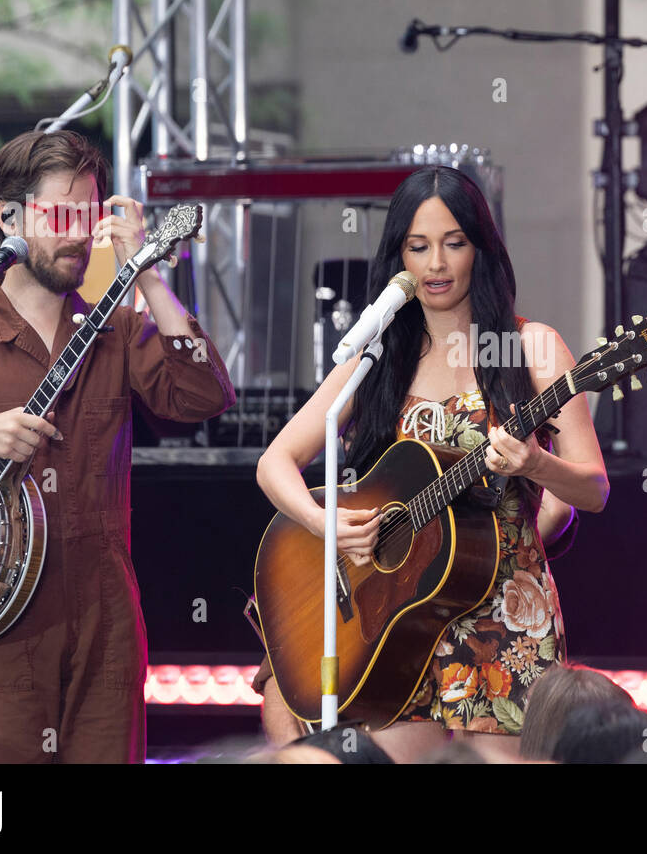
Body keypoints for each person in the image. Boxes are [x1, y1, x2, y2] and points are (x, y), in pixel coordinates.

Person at [0, 129, 235, 762]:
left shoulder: (114, 326)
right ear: (8, 217)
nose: (77, 236)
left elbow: (203, 396)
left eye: (87, 217)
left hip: (104, 622)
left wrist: (146, 275)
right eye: (60, 216)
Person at [254, 165, 609, 762]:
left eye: (454, 244)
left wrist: (535, 464)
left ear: (481, 250)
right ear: (398, 257)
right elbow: (276, 462)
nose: (436, 264)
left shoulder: (533, 348)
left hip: (502, 611)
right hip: (392, 616)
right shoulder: (376, 357)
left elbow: (594, 489)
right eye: (418, 247)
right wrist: (325, 523)